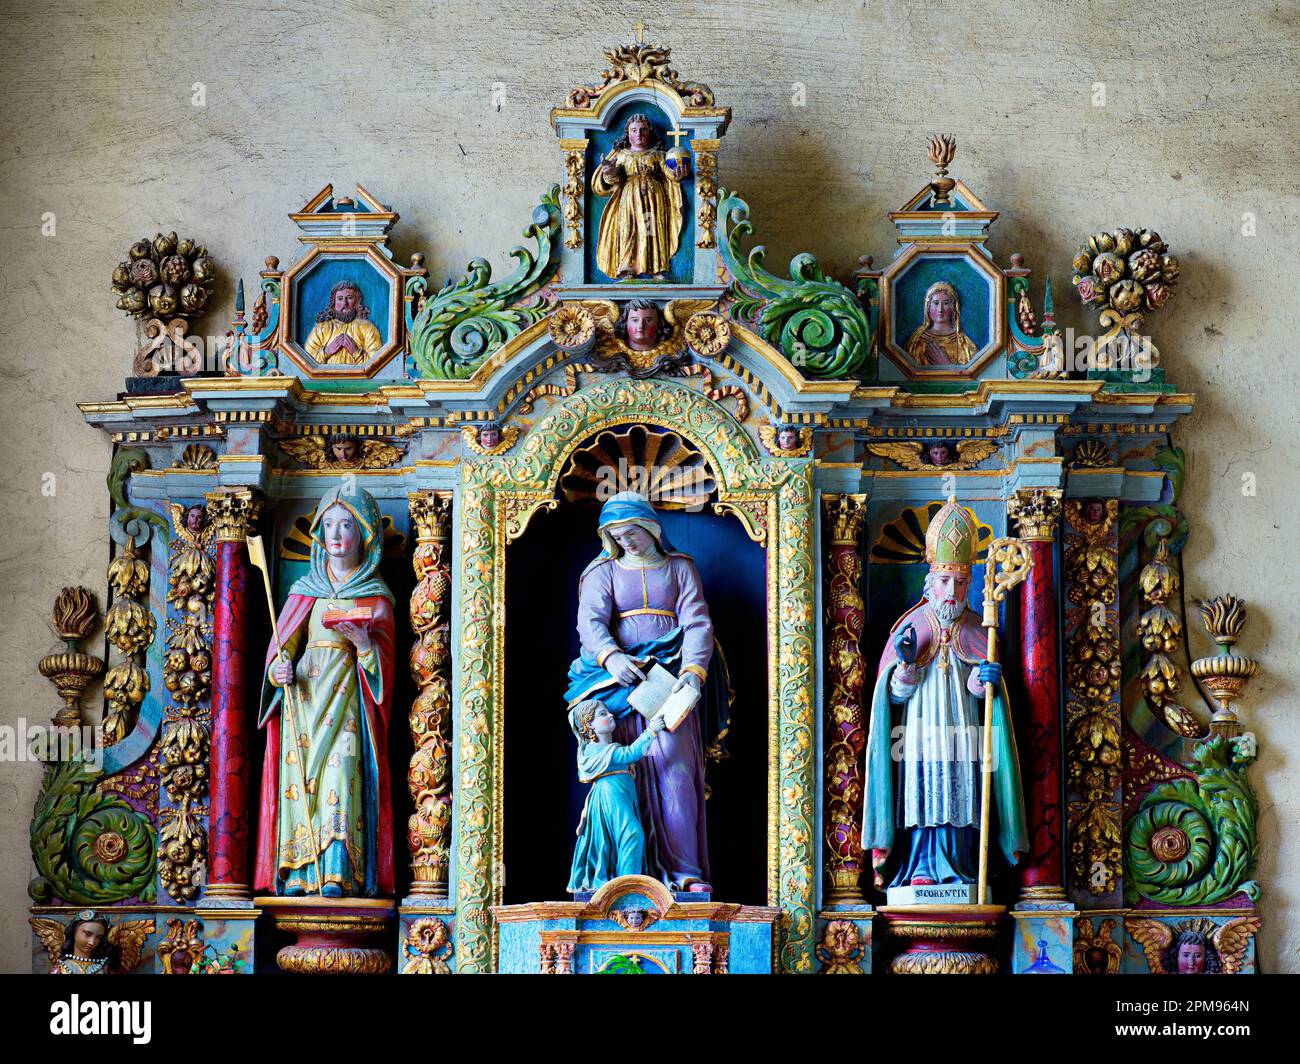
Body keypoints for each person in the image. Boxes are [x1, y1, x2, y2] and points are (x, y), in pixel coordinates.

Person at [564, 491, 730, 892]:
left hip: (669, 683)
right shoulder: (601, 573)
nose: (627, 543)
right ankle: (622, 879)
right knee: (621, 778)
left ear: (650, 527)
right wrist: (610, 657)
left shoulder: (680, 568)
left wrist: (693, 673)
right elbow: (590, 623)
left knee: (676, 773)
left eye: (632, 533)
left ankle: (685, 872)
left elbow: (697, 624)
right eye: (617, 537)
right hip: (618, 687)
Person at [862, 496, 1027, 889]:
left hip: (963, 732)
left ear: (970, 584)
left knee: (963, 794)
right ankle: (919, 866)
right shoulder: (911, 626)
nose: (951, 591)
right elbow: (891, 700)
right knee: (921, 794)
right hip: (917, 734)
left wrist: (984, 682)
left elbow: (983, 697)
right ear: (930, 582)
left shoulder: (978, 631)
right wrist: (903, 670)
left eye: (959, 582)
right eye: (944, 581)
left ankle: (962, 868)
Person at [256, 486, 397, 897]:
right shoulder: (304, 590)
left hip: (347, 703)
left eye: (347, 524)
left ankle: (339, 871)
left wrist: (364, 643)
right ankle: (300, 872)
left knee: (340, 773)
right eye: (329, 524)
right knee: (304, 782)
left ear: (365, 534)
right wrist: (278, 671)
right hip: (304, 699)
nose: (336, 534)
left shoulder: (377, 595)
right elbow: (284, 649)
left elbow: (386, 669)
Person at [567, 699, 666, 892]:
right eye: (602, 714)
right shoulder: (596, 751)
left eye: (608, 712)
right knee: (632, 833)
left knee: (617, 839)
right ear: (589, 725)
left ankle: (623, 883)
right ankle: (626, 888)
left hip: (620, 792)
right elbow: (629, 754)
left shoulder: (608, 748)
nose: (610, 715)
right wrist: (651, 731)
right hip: (610, 794)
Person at [591, 114, 687, 280]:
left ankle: (656, 268)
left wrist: (677, 174)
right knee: (629, 230)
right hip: (628, 199)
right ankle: (627, 268)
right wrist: (610, 171)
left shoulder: (658, 155)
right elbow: (612, 180)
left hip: (653, 199)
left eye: (643, 130)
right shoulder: (621, 156)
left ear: (649, 132)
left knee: (652, 231)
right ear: (627, 133)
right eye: (634, 130)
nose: (639, 134)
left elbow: (669, 174)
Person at [305, 280, 383, 364]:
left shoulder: (367, 328)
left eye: (349, 298)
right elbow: (306, 360)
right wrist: (327, 351)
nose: (344, 303)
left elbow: (377, 363)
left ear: (357, 302)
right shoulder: (321, 329)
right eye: (340, 299)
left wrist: (356, 352)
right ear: (333, 303)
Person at [906, 281, 978, 366]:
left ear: (954, 308)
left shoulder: (964, 344)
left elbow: (973, 371)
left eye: (946, 303)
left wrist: (946, 364)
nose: (940, 309)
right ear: (928, 307)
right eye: (936, 303)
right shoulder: (917, 340)